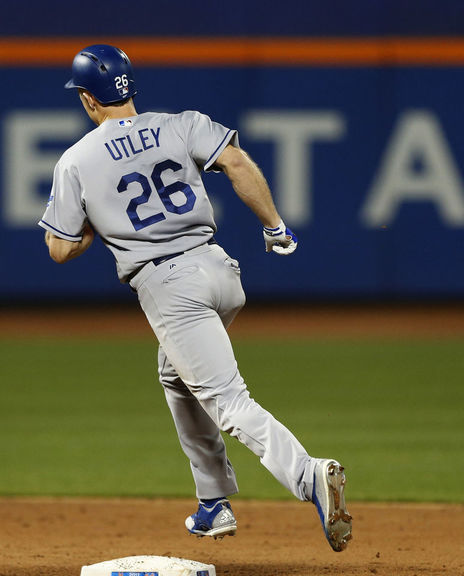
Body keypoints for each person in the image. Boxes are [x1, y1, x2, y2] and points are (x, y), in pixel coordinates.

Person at [39, 44, 352, 552]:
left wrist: (95, 222)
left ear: (88, 101)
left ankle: (308, 475)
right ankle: (213, 504)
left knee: (229, 400)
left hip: (169, 286)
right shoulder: (181, 123)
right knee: (175, 374)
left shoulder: (76, 160)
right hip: (220, 272)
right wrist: (274, 227)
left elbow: (58, 247)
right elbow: (237, 163)